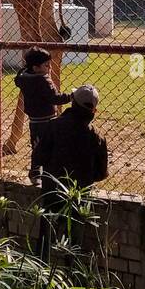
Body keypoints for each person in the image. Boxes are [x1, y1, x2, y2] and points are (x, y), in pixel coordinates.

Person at [29, 84, 109, 260]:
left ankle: (40, 271)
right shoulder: (96, 137)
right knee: (74, 242)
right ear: (94, 110)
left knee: (46, 238)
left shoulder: (53, 126)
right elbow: (101, 173)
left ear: (72, 102)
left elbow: (39, 157)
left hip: (53, 190)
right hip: (79, 195)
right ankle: (71, 277)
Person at [14, 47, 70, 170]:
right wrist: (71, 97)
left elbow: (17, 80)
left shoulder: (24, 78)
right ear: (35, 68)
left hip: (34, 120)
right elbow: (55, 98)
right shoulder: (44, 81)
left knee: (37, 146)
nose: (49, 68)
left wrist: (24, 69)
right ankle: (48, 172)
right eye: (46, 65)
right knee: (50, 147)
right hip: (48, 120)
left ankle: (35, 172)